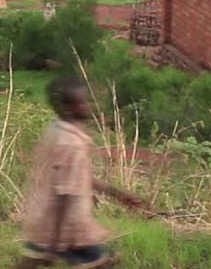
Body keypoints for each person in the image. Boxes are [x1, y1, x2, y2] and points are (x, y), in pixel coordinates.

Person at [16, 75, 147, 269]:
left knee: (29, 263)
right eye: (83, 102)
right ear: (69, 108)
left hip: (47, 220)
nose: (88, 106)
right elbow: (65, 194)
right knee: (99, 264)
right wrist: (55, 243)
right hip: (68, 228)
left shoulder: (57, 130)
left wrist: (119, 195)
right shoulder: (72, 144)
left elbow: (79, 177)